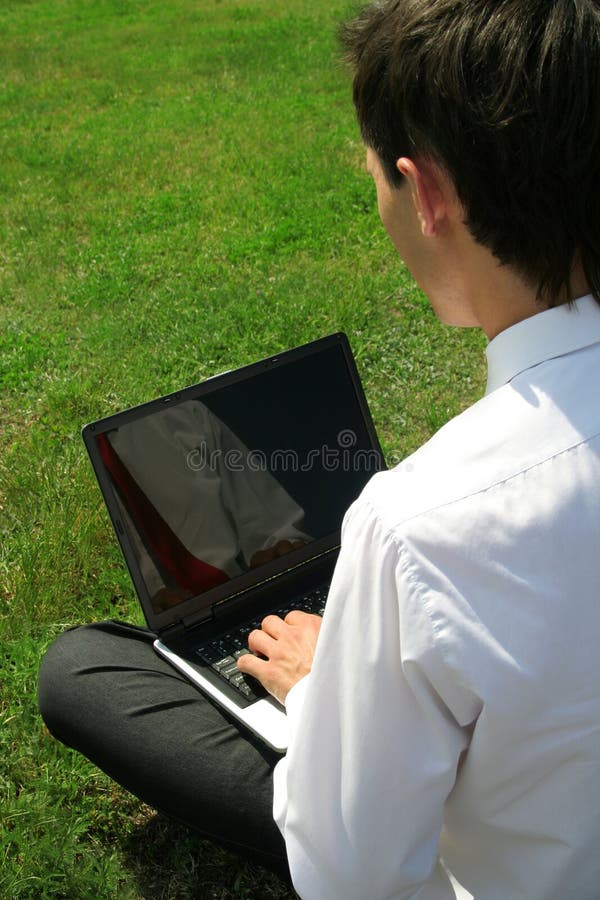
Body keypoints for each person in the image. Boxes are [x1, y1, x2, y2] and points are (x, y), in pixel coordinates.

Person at [38, 0, 600, 897]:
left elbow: (352, 876)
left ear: (427, 195)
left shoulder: (417, 526)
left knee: (80, 670)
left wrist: (323, 690)